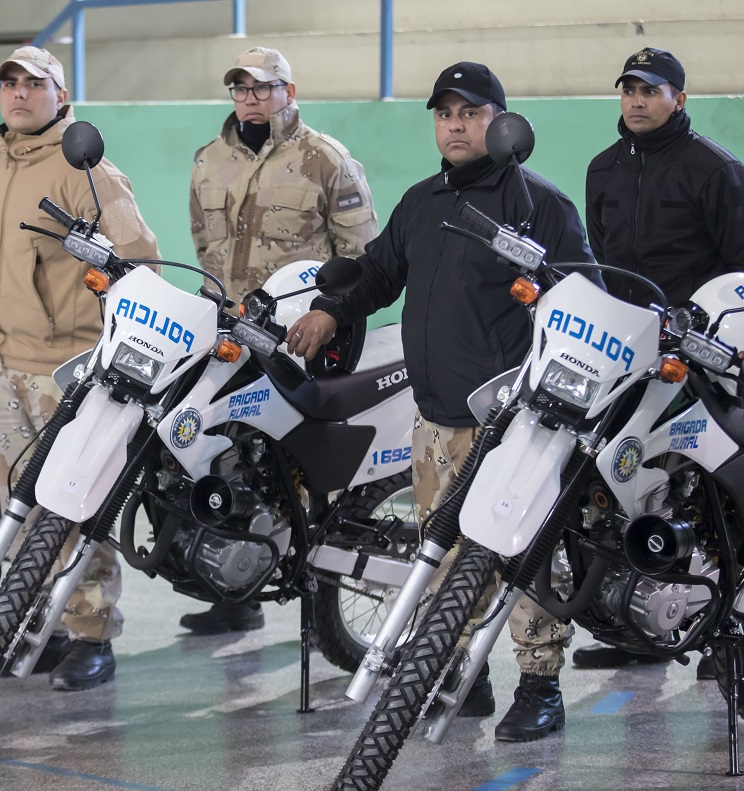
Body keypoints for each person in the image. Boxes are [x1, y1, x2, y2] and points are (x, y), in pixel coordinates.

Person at [287, 62, 593, 742]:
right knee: (442, 552)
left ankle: (540, 685)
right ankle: (461, 673)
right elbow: (377, 274)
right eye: (444, 113)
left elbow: (583, 300)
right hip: (436, 419)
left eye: (471, 112)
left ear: (502, 121)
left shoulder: (539, 206)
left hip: (514, 424)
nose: (454, 124)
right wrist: (330, 311)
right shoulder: (422, 202)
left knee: (525, 556)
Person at [0, 46, 160, 690]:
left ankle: (90, 634)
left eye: (35, 85)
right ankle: (40, 620)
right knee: (20, 502)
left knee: (76, 502)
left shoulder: (86, 170)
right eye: (9, 84)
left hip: (71, 368)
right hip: (5, 364)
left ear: (61, 97)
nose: (19, 95)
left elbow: (141, 257)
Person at [183, 46, 380, 636]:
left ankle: (319, 589)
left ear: (287, 93)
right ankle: (234, 587)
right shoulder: (209, 160)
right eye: (241, 88)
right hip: (230, 336)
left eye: (263, 88)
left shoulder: (326, 160)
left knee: (295, 467)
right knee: (225, 454)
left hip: (299, 341)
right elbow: (203, 247)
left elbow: (363, 260)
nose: (250, 97)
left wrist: (329, 318)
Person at [578, 47, 744, 676]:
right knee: (626, 483)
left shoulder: (717, 170)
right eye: (628, 90)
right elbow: (600, 260)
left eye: (651, 90)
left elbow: (739, 269)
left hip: (699, 359)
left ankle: (723, 623)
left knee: (708, 492)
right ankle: (635, 628)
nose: (637, 101)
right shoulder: (603, 169)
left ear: (680, 97)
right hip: (624, 354)